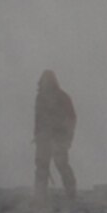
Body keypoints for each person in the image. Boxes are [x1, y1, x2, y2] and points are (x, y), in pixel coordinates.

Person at [33, 70, 78, 198]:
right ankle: (40, 197)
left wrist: (67, 138)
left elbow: (71, 118)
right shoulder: (40, 97)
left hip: (58, 138)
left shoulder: (62, 97)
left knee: (62, 165)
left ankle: (71, 194)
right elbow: (38, 118)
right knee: (41, 168)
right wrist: (37, 135)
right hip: (44, 138)